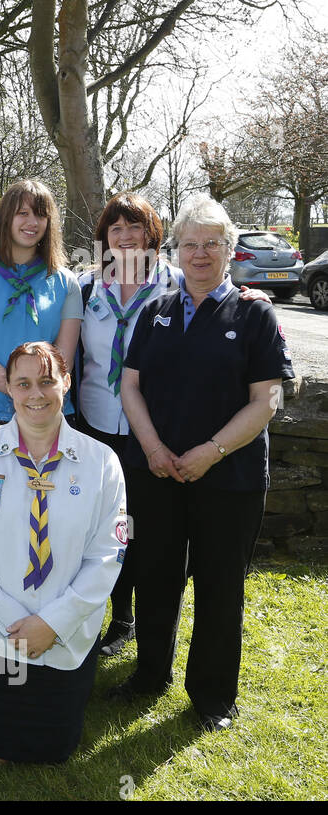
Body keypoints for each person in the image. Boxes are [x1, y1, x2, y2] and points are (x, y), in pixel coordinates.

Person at [114, 194, 294, 732]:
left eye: (210, 244)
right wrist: (151, 450)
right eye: (189, 244)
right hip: (159, 471)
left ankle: (213, 696)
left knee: (220, 584)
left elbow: (267, 400)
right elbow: (130, 386)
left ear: (229, 250)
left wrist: (210, 452)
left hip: (230, 476)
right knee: (156, 574)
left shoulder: (255, 312)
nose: (199, 254)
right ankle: (150, 675)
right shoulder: (156, 310)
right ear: (177, 250)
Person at [0, 341, 126, 764]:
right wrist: (13, 620)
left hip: (65, 633)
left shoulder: (102, 461)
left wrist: (52, 622)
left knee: (55, 752)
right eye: (23, 383)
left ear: (66, 382)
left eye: (47, 381)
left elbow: (107, 554)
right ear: (7, 388)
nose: (36, 394)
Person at [75, 192, 176, 656]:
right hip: (95, 424)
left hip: (151, 429)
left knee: (143, 526)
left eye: (135, 227)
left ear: (151, 234)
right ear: (105, 239)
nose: (126, 236)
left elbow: (224, 304)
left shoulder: (176, 286)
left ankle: (138, 619)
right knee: (106, 525)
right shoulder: (87, 287)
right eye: (115, 229)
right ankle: (113, 615)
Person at [0, 180, 82, 462]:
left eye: (40, 214)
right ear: (6, 217)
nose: (32, 222)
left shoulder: (67, 283)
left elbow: (64, 355)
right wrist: (18, 390)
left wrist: (35, 396)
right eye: (23, 213)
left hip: (46, 415)